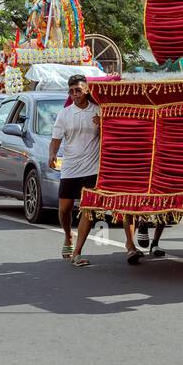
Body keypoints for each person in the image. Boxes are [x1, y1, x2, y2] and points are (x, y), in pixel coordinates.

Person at [54, 75, 141, 267]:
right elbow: (56, 139)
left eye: (78, 90)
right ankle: (68, 235)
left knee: (90, 209)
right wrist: (52, 155)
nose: (74, 94)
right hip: (70, 168)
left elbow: (116, 135)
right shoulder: (64, 114)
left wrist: (103, 125)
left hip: (94, 169)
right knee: (64, 209)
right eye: (71, 91)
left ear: (87, 90)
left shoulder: (100, 111)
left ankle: (78, 252)